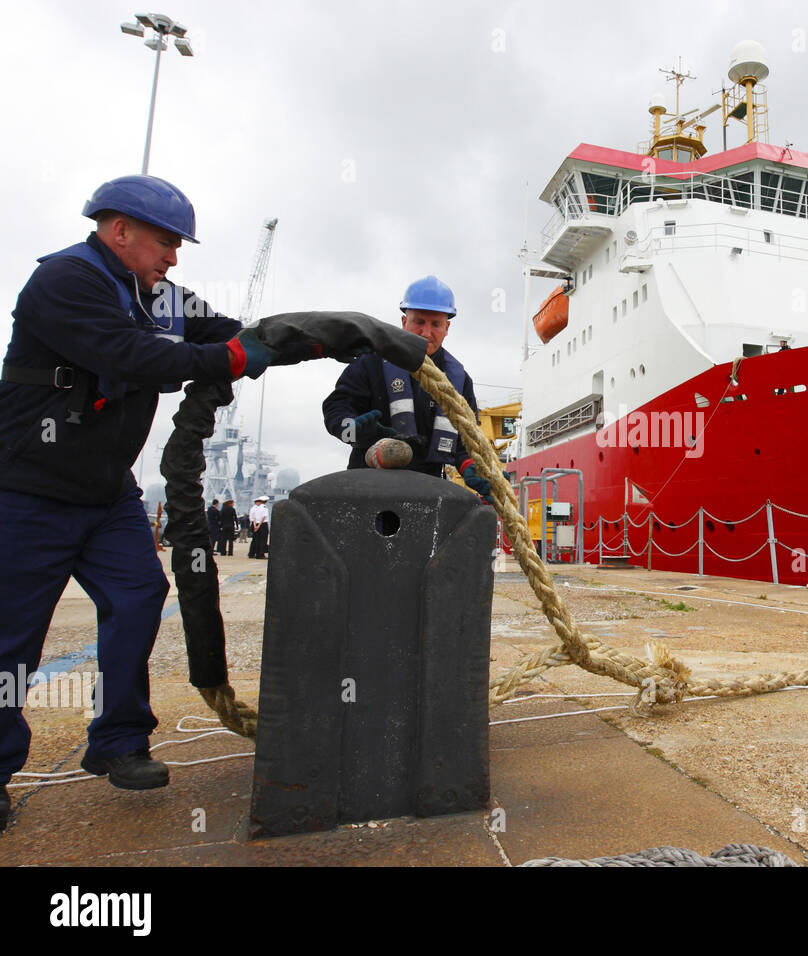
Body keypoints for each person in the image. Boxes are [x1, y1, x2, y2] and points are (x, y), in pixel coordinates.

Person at [0, 174, 289, 827]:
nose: (174, 256)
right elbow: (127, 355)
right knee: (12, 633)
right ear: (118, 230)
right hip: (29, 489)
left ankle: (119, 741)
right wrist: (231, 356)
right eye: (166, 241)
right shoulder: (65, 282)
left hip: (107, 491)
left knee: (137, 596)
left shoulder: (158, 293)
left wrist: (279, 340)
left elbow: (220, 328)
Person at [321, 274, 492, 498]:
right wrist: (353, 430)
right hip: (367, 487)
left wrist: (471, 465)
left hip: (427, 491)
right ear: (404, 322)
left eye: (436, 324)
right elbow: (336, 409)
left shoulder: (458, 379)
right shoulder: (371, 363)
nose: (426, 333)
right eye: (419, 322)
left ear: (447, 327)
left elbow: (466, 437)